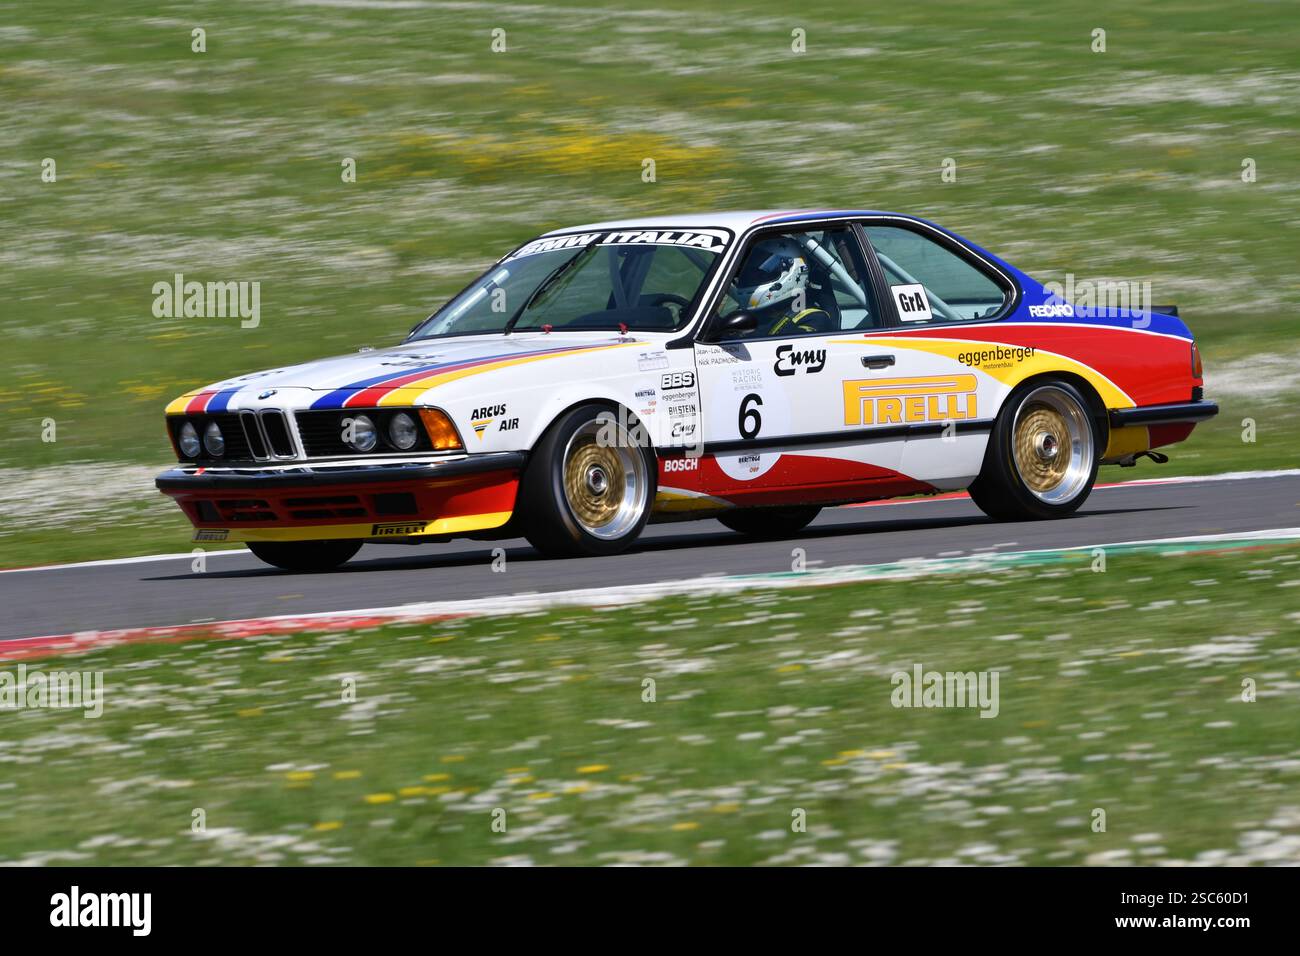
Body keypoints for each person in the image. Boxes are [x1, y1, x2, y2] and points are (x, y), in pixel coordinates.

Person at [729, 236, 834, 336]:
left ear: (793, 271)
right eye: (750, 272)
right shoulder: (750, 314)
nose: (751, 277)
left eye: (762, 273)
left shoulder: (814, 318)